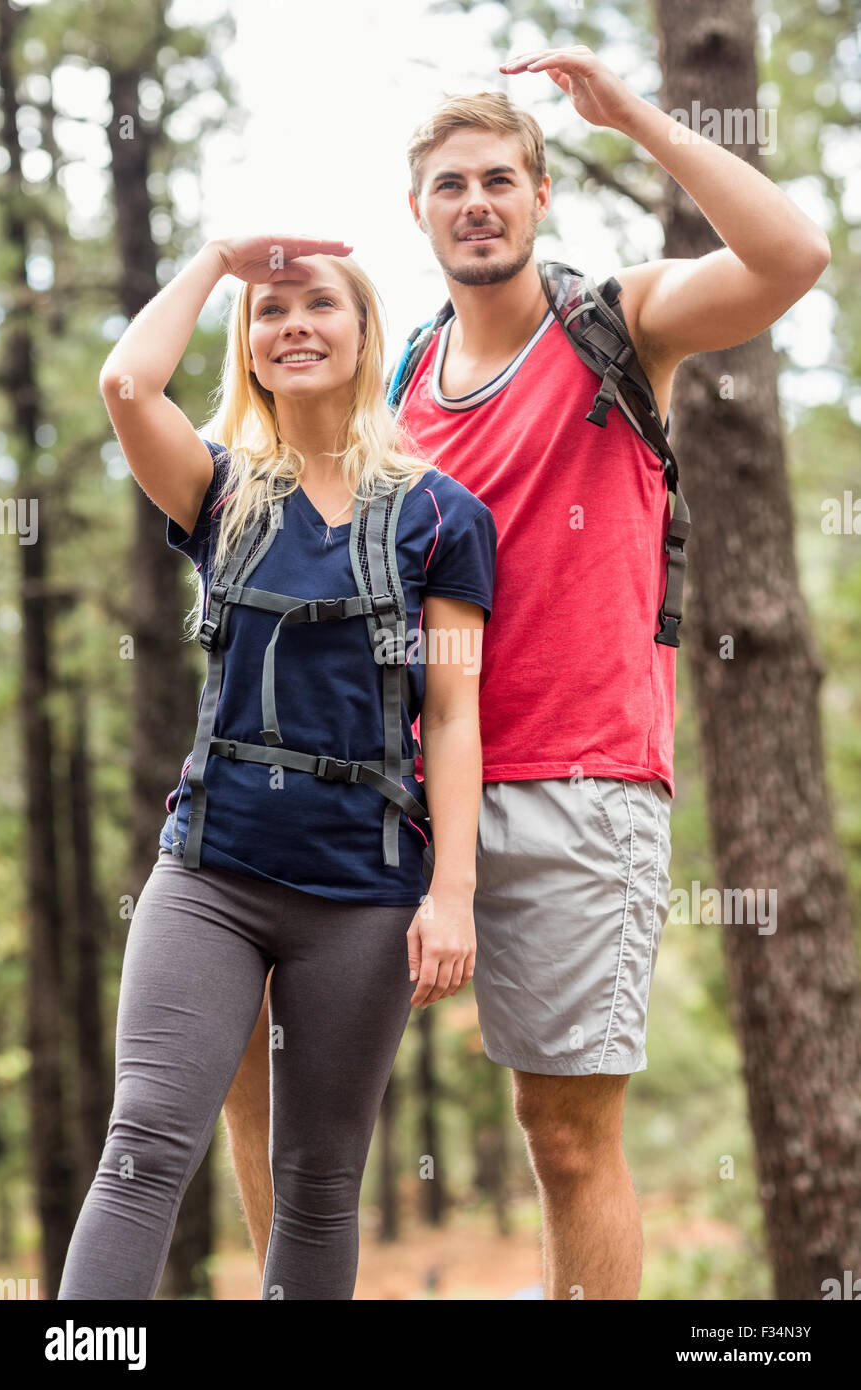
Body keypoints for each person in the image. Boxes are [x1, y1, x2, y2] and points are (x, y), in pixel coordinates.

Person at [217, 47, 830, 1301]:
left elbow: (791, 259)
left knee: (561, 1138)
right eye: (451, 184)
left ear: (539, 195)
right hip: (393, 795)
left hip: (577, 784)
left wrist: (635, 118)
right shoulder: (393, 394)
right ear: (419, 212)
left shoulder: (622, 325)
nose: (477, 201)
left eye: (501, 178)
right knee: (244, 1049)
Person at [56, 235, 496, 1301]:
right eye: (270, 313)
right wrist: (214, 263)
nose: (293, 323)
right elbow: (126, 382)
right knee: (146, 1144)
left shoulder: (444, 517)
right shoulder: (218, 489)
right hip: (209, 875)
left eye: (318, 305)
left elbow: (449, 714)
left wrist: (451, 896)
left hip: (362, 892)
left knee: (316, 1180)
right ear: (246, 349)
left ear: (361, 335)